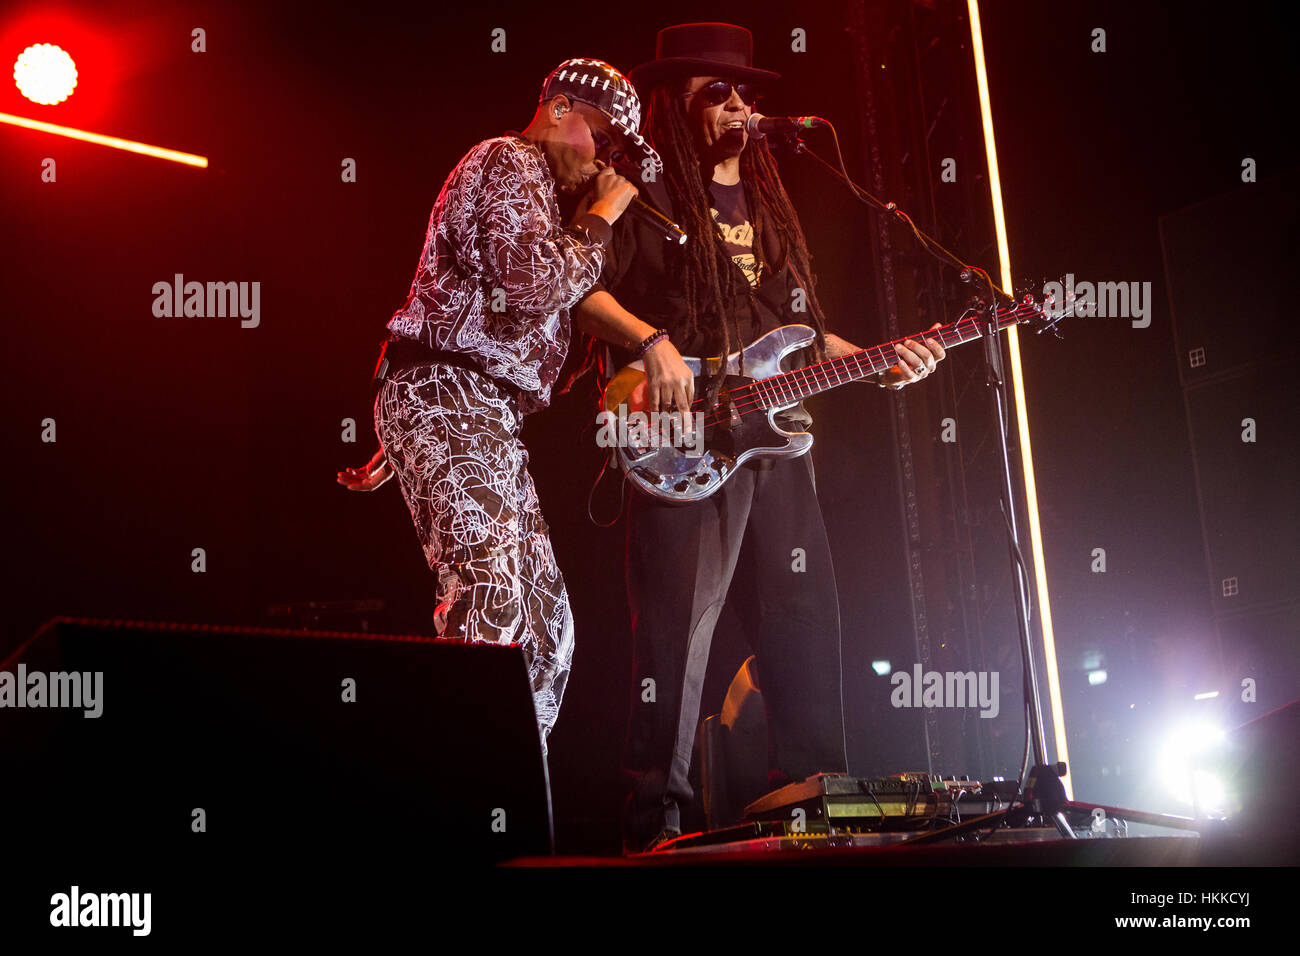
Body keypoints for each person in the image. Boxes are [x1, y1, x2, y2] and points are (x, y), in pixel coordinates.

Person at [571, 23, 947, 851]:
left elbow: (799, 330)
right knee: (676, 630)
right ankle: (655, 823)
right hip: (677, 431)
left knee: (805, 613)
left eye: (747, 93)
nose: (740, 104)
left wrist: (878, 360)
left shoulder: (772, 200)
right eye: (719, 93)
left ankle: (814, 798)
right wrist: (650, 341)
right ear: (678, 105)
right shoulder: (643, 185)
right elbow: (578, 292)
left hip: (773, 439)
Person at [337, 59, 655, 753]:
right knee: (489, 595)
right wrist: (602, 216)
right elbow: (536, 284)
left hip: (478, 412)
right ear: (558, 106)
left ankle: (510, 788)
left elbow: (483, 315)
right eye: (599, 137)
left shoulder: (539, 194)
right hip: (448, 396)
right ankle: (460, 786)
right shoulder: (507, 159)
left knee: (548, 628)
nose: (603, 161)